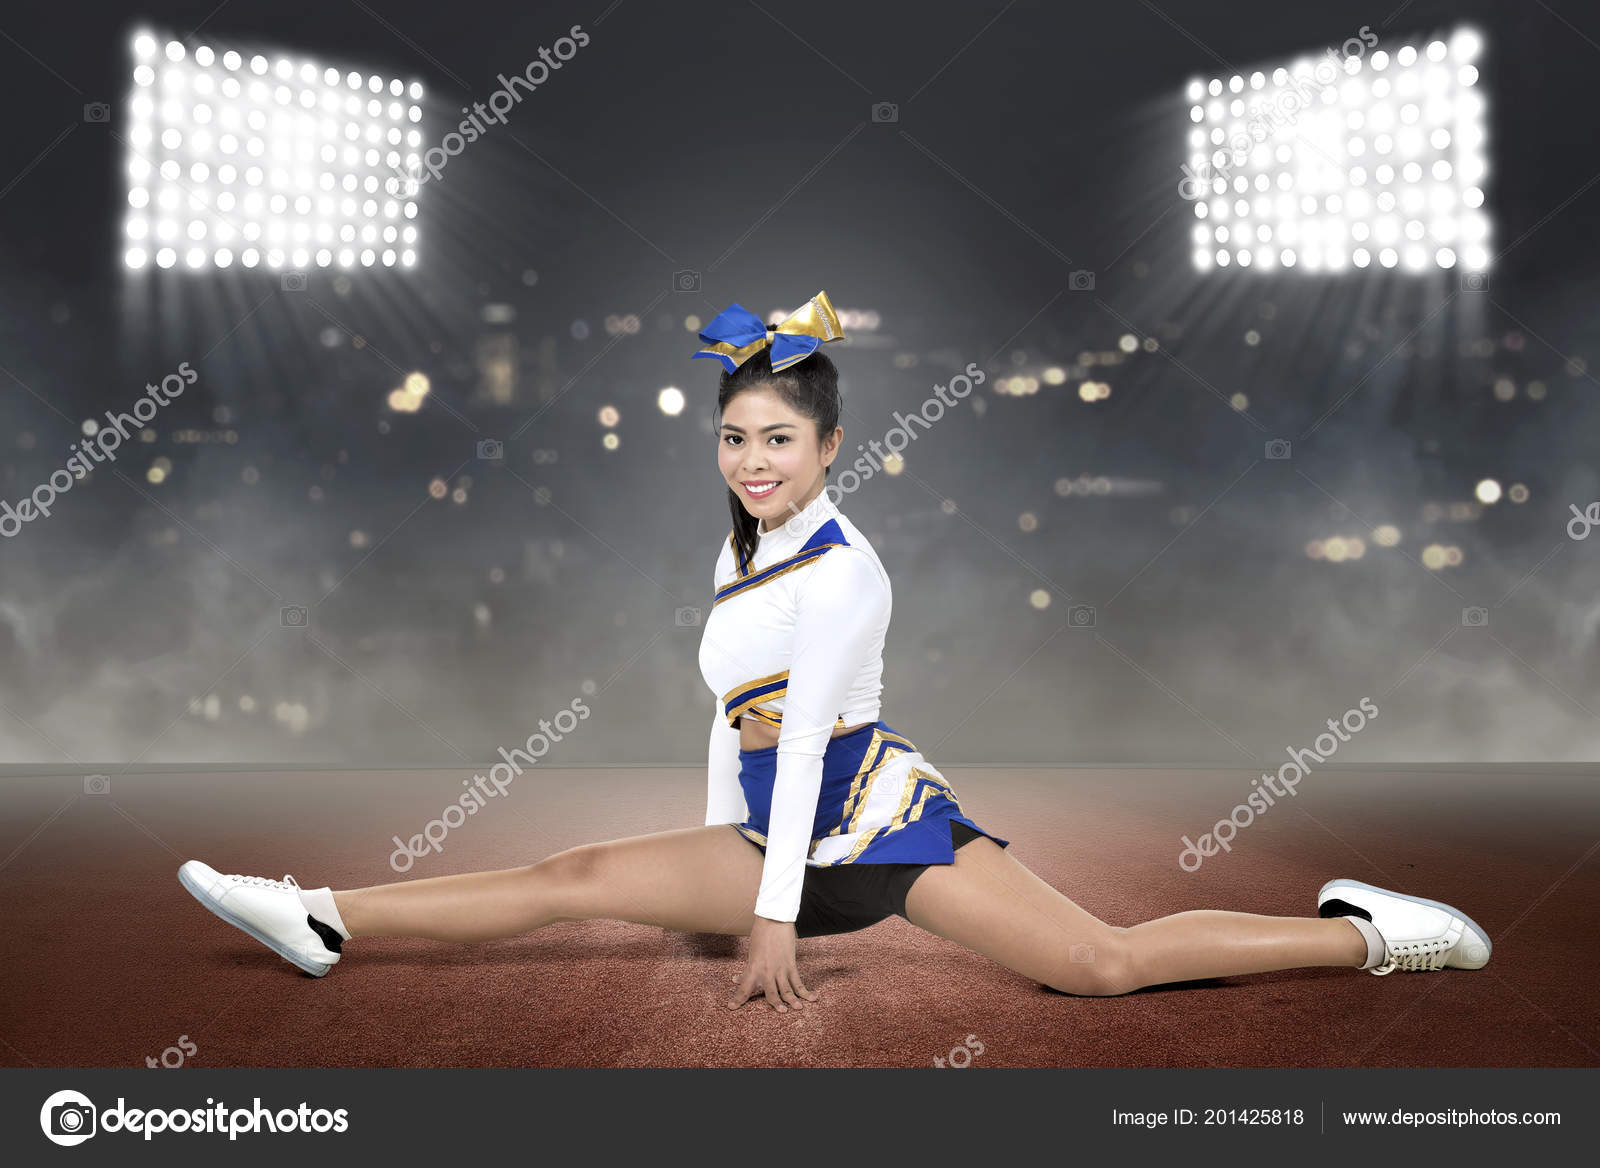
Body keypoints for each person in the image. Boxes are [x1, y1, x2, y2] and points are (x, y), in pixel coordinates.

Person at [177, 291, 1491, 1013]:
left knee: (1100, 966)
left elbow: (805, 738)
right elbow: (736, 726)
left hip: (872, 823)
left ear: (829, 449)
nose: (752, 462)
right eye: (734, 439)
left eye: (778, 442)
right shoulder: (738, 554)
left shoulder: (848, 570)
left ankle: (1372, 936)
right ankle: (322, 915)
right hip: (770, 827)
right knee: (572, 875)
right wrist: (726, 860)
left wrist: (767, 922)